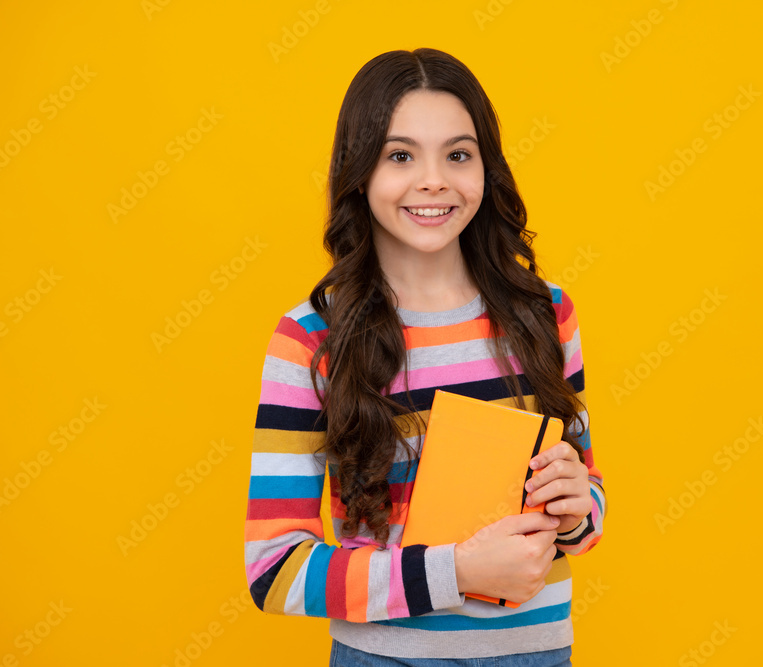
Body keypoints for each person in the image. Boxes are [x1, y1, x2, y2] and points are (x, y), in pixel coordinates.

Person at [244, 47, 606, 666]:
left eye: (458, 155)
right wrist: (458, 571)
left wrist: (579, 505)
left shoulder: (545, 312)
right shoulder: (312, 337)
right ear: (359, 172)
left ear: (486, 169)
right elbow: (273, 571)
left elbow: (585, 510)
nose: (434, 180)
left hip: (539, 654)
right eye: (400, 155)